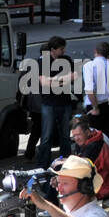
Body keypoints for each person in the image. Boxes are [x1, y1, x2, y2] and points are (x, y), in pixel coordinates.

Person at [35, 36, 77, 168]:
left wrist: (54, 80)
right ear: (53, 49)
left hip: (65, 103)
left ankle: (66, 163)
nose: (64, 51)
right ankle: (43, 164)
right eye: (61, 49)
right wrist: (63, 79)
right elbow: (44, 82)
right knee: (46, 136)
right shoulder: (43, 62)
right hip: (49, 103)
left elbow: (74, 76)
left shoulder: (67, 60)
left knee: (65, 135)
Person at [68, 116, 109, 199]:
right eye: (74, 136)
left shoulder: (93, 145)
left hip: (107, 184)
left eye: (78, 135)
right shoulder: (92, 137)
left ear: (87, 132)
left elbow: (81, 167)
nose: (76, 138)